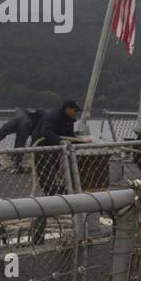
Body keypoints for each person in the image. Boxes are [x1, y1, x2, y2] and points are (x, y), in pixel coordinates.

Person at [29, 99, 90, 243]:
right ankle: (61, 191)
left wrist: (81, 141)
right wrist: (60, 142)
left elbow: (70, 135)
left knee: (56, 188)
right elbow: (46, 132)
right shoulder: (53, 116)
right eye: (74, 110)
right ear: (67, 109)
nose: (76, 113)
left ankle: (64, 190)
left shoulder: (69, 120)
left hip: (56, 153)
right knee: (48, 188)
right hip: (42, 150)